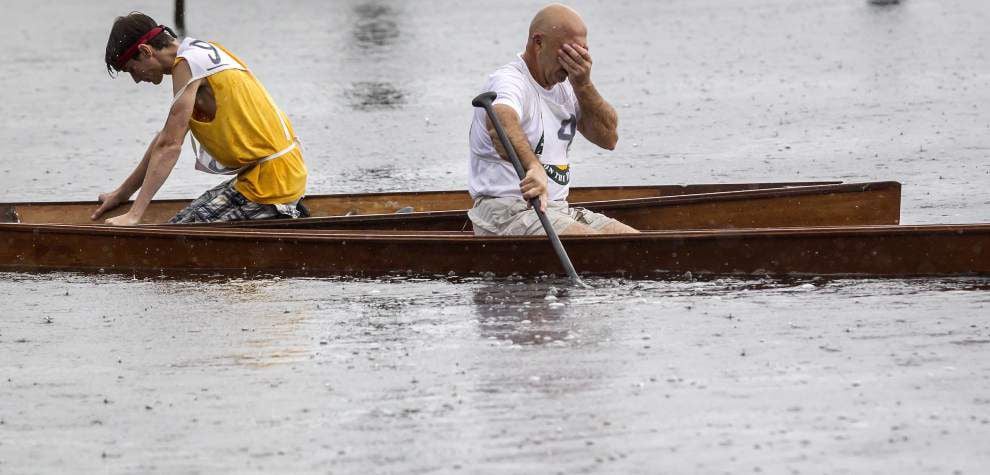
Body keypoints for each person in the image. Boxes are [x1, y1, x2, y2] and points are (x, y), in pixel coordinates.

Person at [93, 12, 307, 225]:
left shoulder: (188, 65)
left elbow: (170, 146)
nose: (137, 79)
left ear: (145, 50)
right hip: (266, 174)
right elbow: (165, 138)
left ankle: (283, 214)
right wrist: (122, 194)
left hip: (274, 181)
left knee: (175, 238)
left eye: (132, 69)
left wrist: (134, 215)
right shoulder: (197, 52)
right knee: (177, 223)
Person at [467, 3, 638, 236]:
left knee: (634, 243)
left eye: (581, 54)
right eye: (567, 53)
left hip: (557, 208)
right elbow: (500, 122)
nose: (573, 63)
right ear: (539, 43)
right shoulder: (510, 81)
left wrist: (584, 84)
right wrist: (533, 166)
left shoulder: (568, 86)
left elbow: (608, 139)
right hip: (506, 212)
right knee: (598, 248)